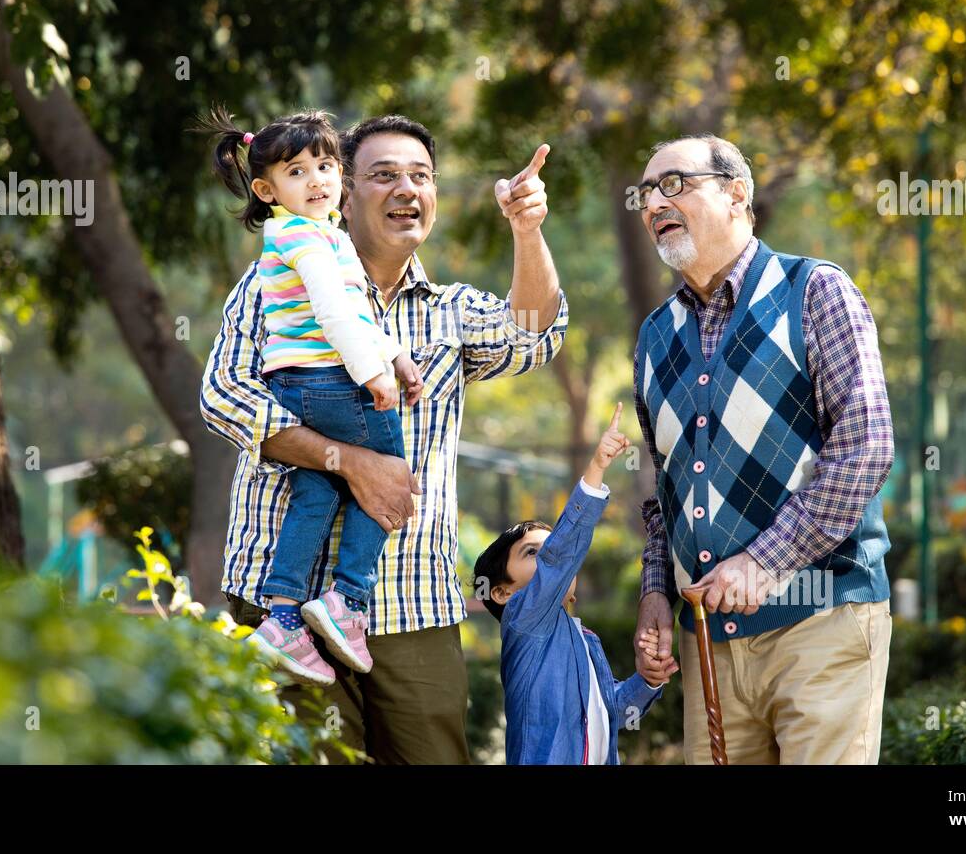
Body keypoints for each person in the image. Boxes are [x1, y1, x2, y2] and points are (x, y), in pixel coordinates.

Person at [200, 114, 566, 763]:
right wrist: (350, 462)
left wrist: (527, 231)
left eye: (420, 175)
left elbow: (534, 333)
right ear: (345, 191)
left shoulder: (451, 309)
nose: (406, 188)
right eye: (384, 174)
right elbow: (224, 396)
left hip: (412, 609)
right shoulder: (272, 284)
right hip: (280, 604)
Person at [630, 134, 895, 764]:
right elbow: (667, 489)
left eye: (675, 184)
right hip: (709, 647)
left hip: (822, 620)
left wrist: (764, 562)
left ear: (736, 194)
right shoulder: (652, 335)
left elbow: (865, 446)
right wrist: (655, 593)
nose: (654, 204)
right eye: (645, 194)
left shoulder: (815, 290)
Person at [197, 107, 425, 685]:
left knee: (318, 490)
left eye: (324, 166)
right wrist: (376, 373)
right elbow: (333, 313)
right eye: (297, 172)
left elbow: (355, 313)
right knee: (391, 473)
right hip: (331, 380)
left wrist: (395, 353)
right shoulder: (308, 240)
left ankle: (281, 616)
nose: (318, 180)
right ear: (266, 189)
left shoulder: (312, 236)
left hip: (295, 386)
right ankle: (347, 598)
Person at [474, 403, 667, 765]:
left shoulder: (586, 641)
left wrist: (648, 680)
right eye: (533, 553)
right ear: (502, 591)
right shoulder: (523, 621)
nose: (551, 559)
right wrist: (597, 469)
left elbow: (611, 709)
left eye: (553, 552)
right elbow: (560, 558)